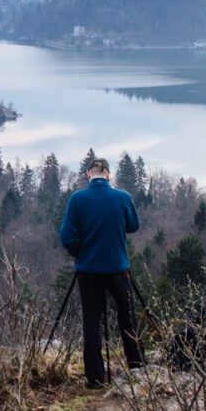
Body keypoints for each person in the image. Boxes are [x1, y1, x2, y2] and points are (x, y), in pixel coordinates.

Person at [59, 157, 145, 387]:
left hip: (88, 271)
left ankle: (95, 378)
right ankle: (137, 366)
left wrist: (80, 252)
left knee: (92, 320)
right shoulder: (122, 198)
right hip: (118, 268)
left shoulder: (78, 200)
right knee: (128, 316)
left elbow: (67, 236)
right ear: (108, 175)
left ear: (89, 175)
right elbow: (133, 226)